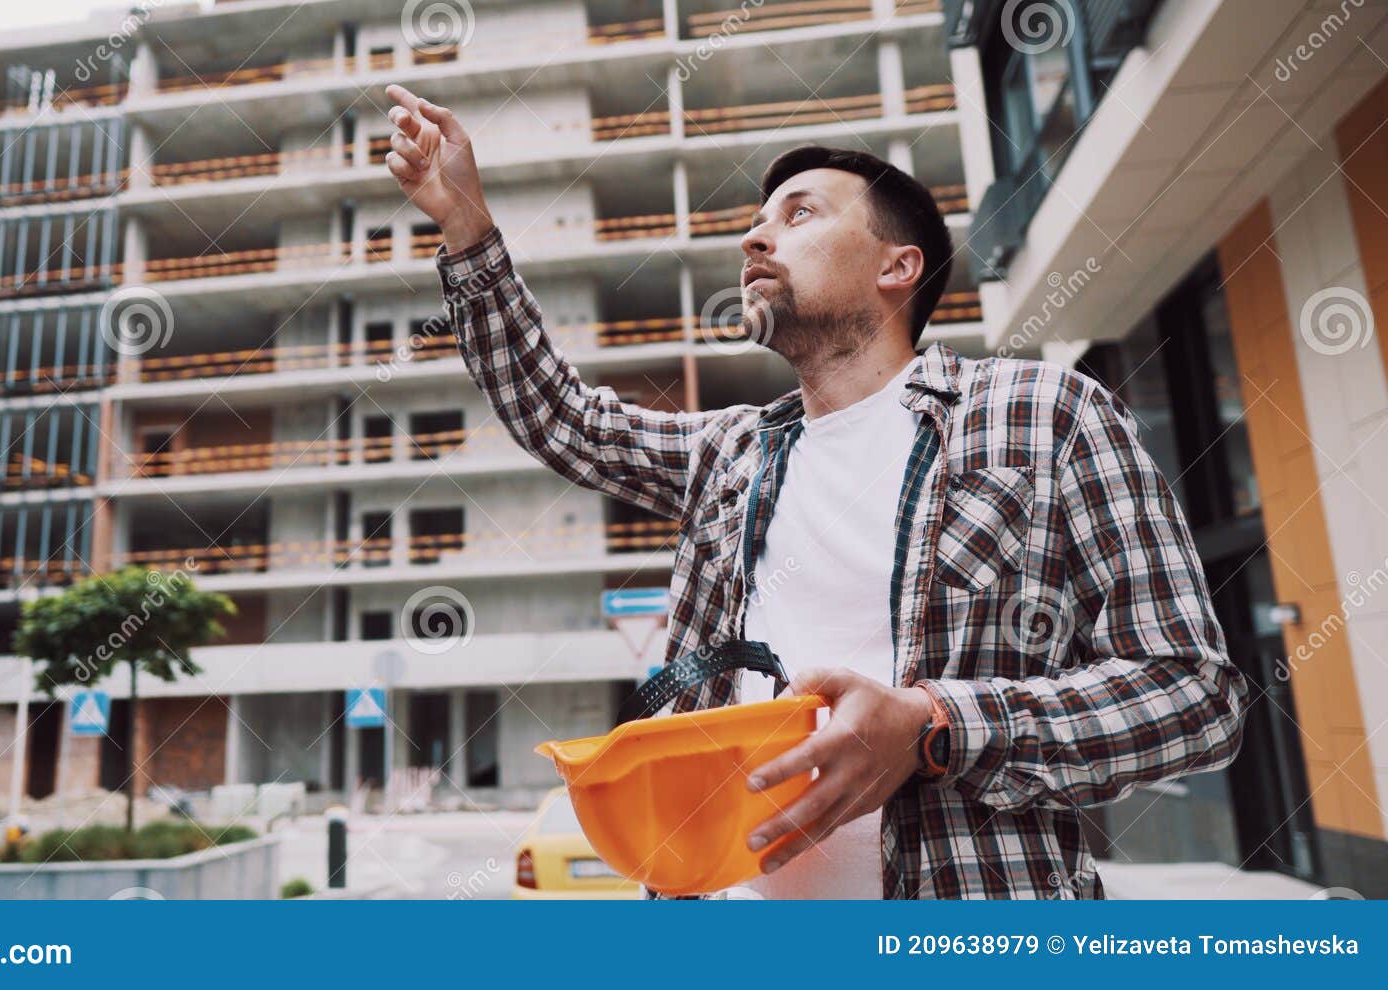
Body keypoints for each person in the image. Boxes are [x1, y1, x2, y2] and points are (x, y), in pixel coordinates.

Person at [381, 83, 1248, 899]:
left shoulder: (1045, 414)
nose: (755, 240)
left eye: (800, 216)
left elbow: (1195, 696)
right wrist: (467, 227)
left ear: (898, 266)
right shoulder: (735, 453)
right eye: (756, 223)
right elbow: (564, 419)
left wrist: (934, 725)